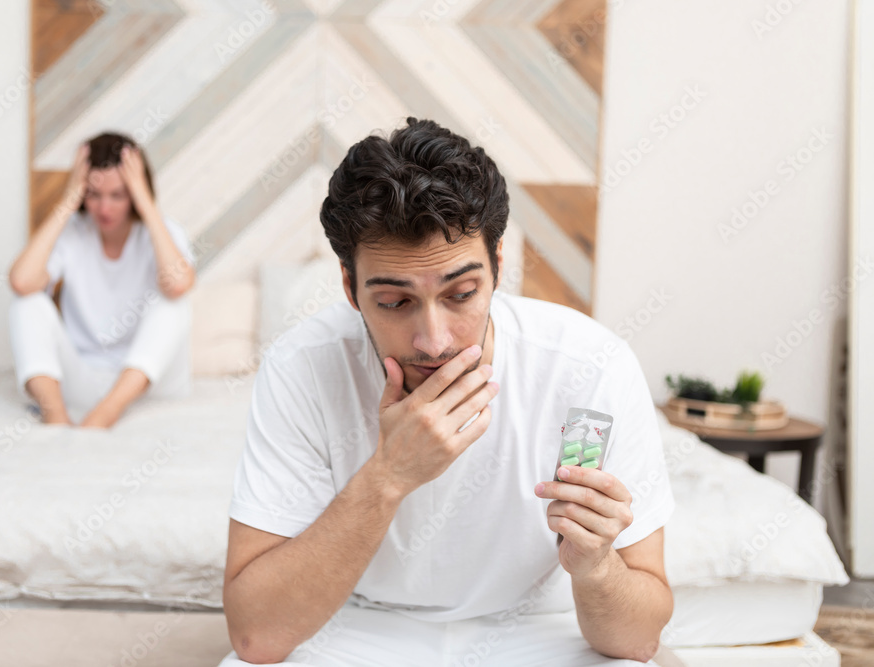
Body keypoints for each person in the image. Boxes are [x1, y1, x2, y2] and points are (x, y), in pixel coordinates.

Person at [219, 118, 675, 666]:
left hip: (542, 625)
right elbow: (256, 637)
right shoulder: (303, 368)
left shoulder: (589, 368)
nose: (433, 341)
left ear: (499, 267)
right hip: (353, 622)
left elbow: (637, 641)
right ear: (348, 286)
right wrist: (388, 476)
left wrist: (596, 563)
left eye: (461, 293)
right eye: (394, 302)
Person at [7, 132, 196, 428]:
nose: (104, 209)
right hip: (85, 380)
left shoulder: (161, 230)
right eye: (94, 195)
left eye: (118, 195)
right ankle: (56, 419)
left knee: (173, 302)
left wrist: (145, 202)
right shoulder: (73, 232)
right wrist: (68, 201)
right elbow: (21, 281)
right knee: (27, 303)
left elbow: (179, 284)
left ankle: (106, 414)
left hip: (147, 385)